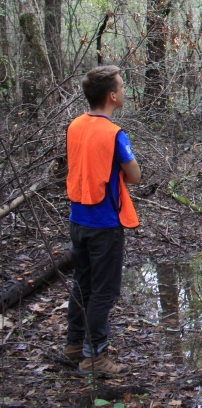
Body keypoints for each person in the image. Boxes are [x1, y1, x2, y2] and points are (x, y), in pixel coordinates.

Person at [63, 65, 141, 376]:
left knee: (82, 284)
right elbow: (134, 176)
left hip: (77, 219)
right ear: (111, 96)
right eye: (121, 87)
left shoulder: (75, 125)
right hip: (104, 224)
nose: (124, 91)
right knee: (104, 292)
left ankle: (73, 344)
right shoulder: (114, 134)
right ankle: (94, 356)